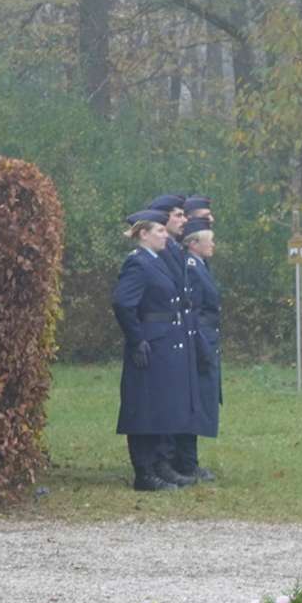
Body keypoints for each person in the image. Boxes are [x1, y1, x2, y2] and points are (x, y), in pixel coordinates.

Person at [114, 208, 197, 490]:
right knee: (145, 407)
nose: (166, 234)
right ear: (143, 234)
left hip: (164, 342)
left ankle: (161, 463)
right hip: (150, 342)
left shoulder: (157, 261)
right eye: (159, 230)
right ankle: (145, 471)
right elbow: (124, 304)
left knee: (162, 405)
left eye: (165, 229)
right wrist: (137, 339)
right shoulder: (137, 263)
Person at [171, 213, 223, 484]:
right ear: (193, 243)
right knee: (192, 403)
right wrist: (202, 344)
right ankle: (186, 462)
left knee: (198, 402)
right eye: (209, 240)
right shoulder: (191, 267)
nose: (213, 245)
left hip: (206, 339)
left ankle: (188, 461)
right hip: (198, 341)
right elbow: (194, 310)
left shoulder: (199, 264)